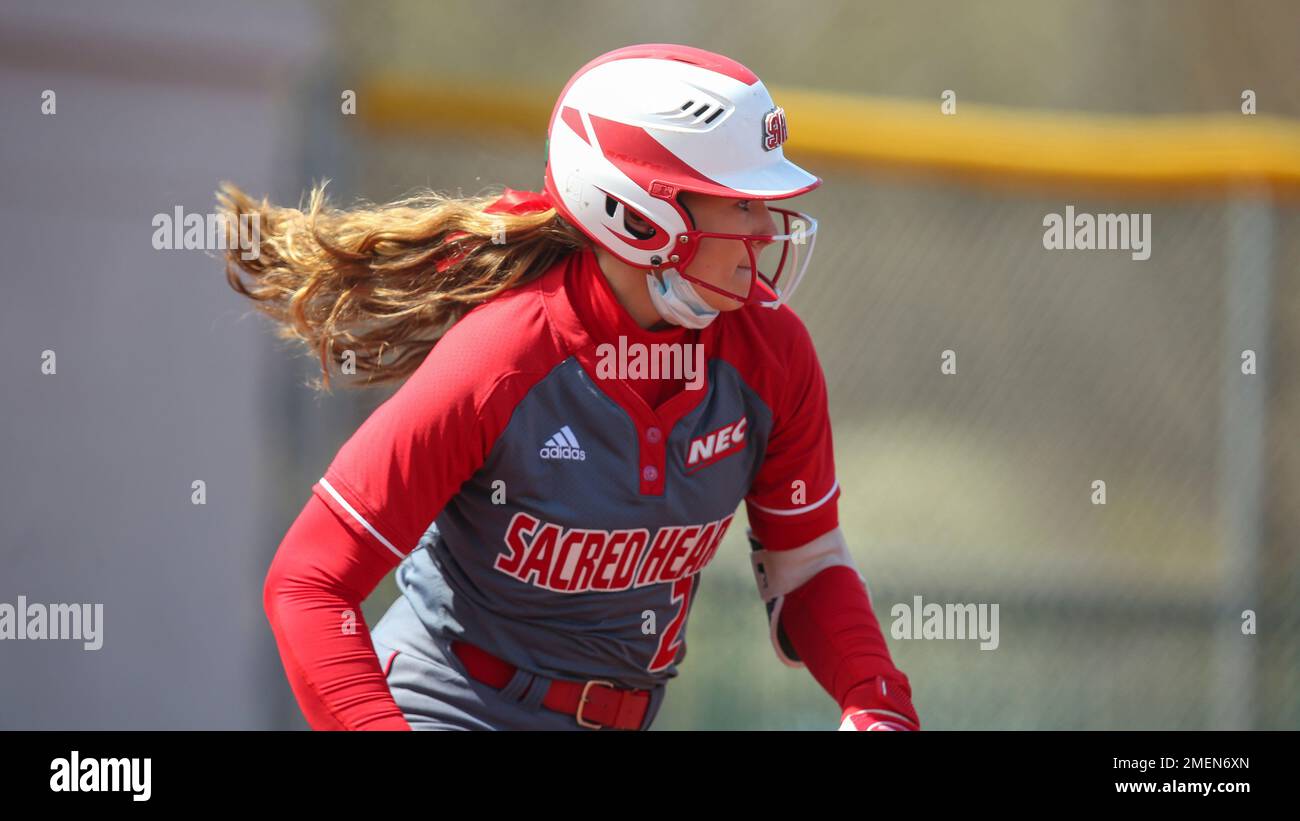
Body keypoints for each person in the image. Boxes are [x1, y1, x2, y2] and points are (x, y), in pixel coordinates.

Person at [219, 43, 919, 731]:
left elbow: (808, 567)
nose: (767, 229)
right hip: (450, 706)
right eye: (740, 204)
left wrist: (877, 699)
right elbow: (308, 581)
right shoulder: (504, 356)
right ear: (639, 214)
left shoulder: (771, 351)